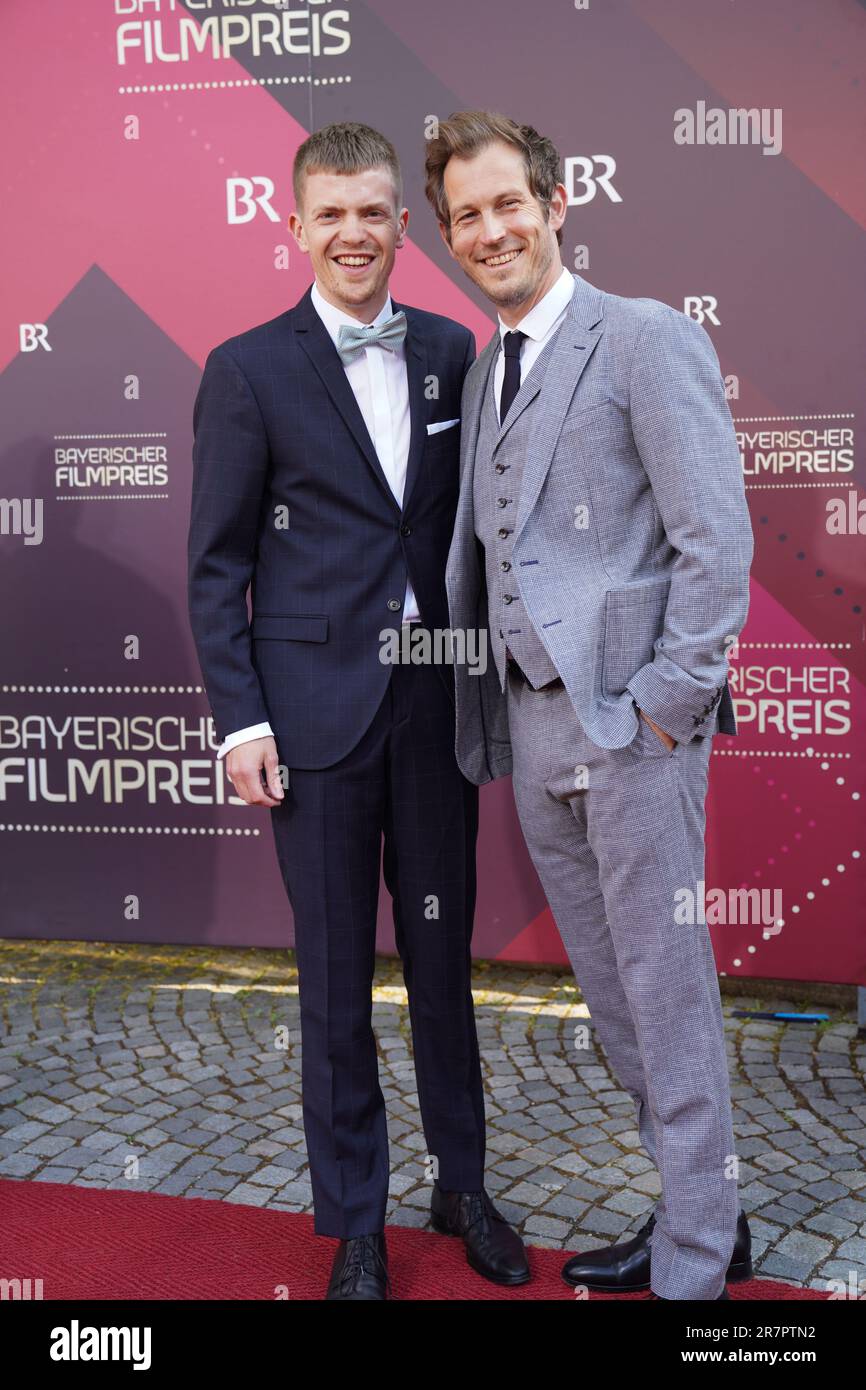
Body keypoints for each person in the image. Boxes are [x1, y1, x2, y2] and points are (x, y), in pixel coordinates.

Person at [188, 122, 529, 1301]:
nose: (352, 232)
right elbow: (214, 563)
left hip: (432, 706)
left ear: (401, 225)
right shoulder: (245, 370)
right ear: (293, 224)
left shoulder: (451, 349)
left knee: (443, 959)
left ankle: (464, 1185)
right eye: (329, 212)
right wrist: (241, 721)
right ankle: (355, 1221)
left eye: (373, 211)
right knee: (333, 977)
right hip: (313, 720)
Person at [424, 110, 755, 1300]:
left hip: (630, 727)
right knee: (616, 999)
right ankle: (696, 1206)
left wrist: (665, 707)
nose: (490, 228)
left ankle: (698, 1264)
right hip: (531, 723)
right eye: (466, 215)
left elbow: (714, 545)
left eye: (508, 202)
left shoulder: (641, 338)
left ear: (557, 204)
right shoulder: (480, 369)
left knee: (665, 992)